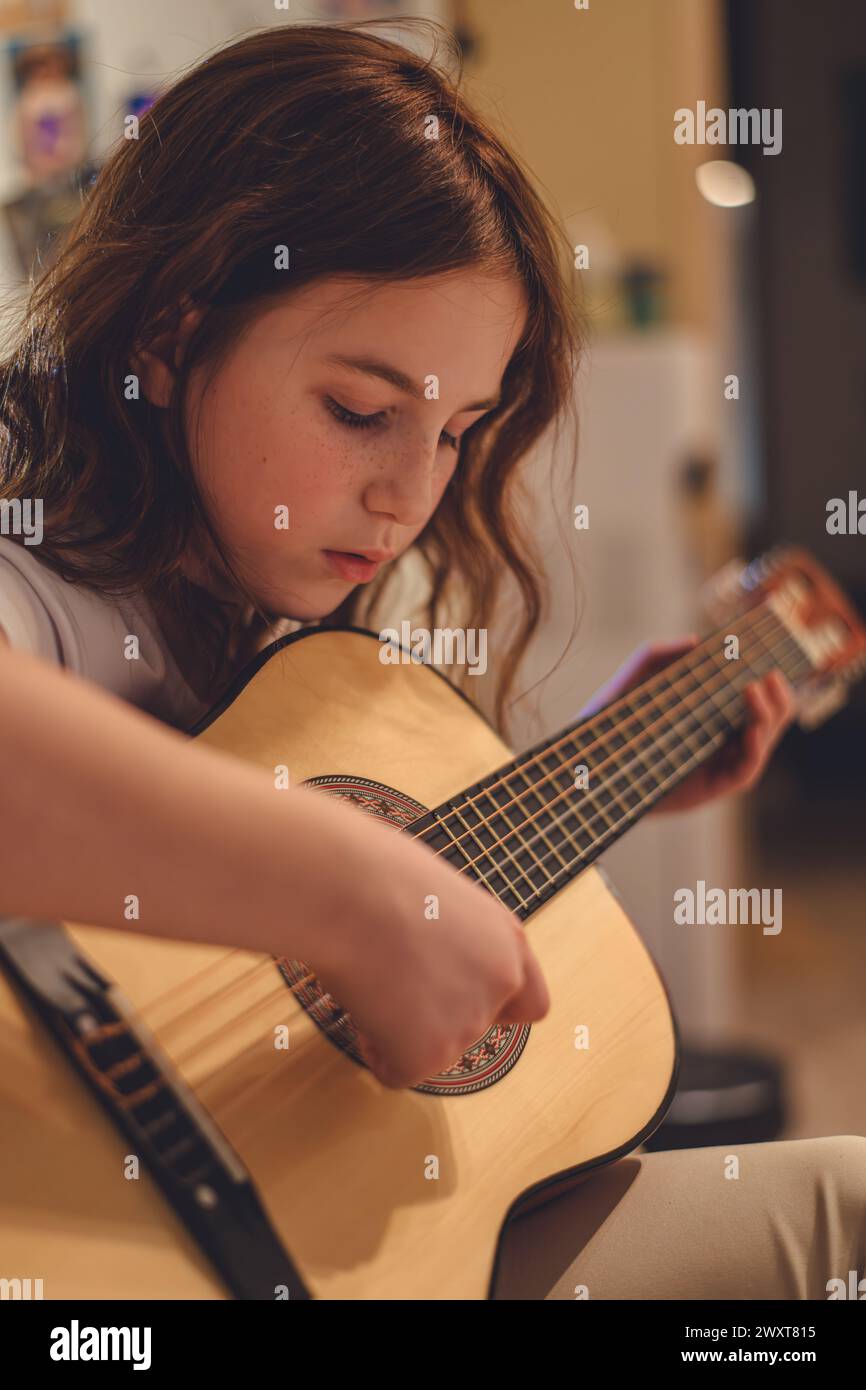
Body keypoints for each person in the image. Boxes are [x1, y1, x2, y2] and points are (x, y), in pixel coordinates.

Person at [0, 20, 862, 1301]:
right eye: (361, 411)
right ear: (170, 342)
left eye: (457, 430)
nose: (409, 491)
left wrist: (584, 775)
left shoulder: (273, 622)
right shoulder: (37, 567)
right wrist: (345, 894)